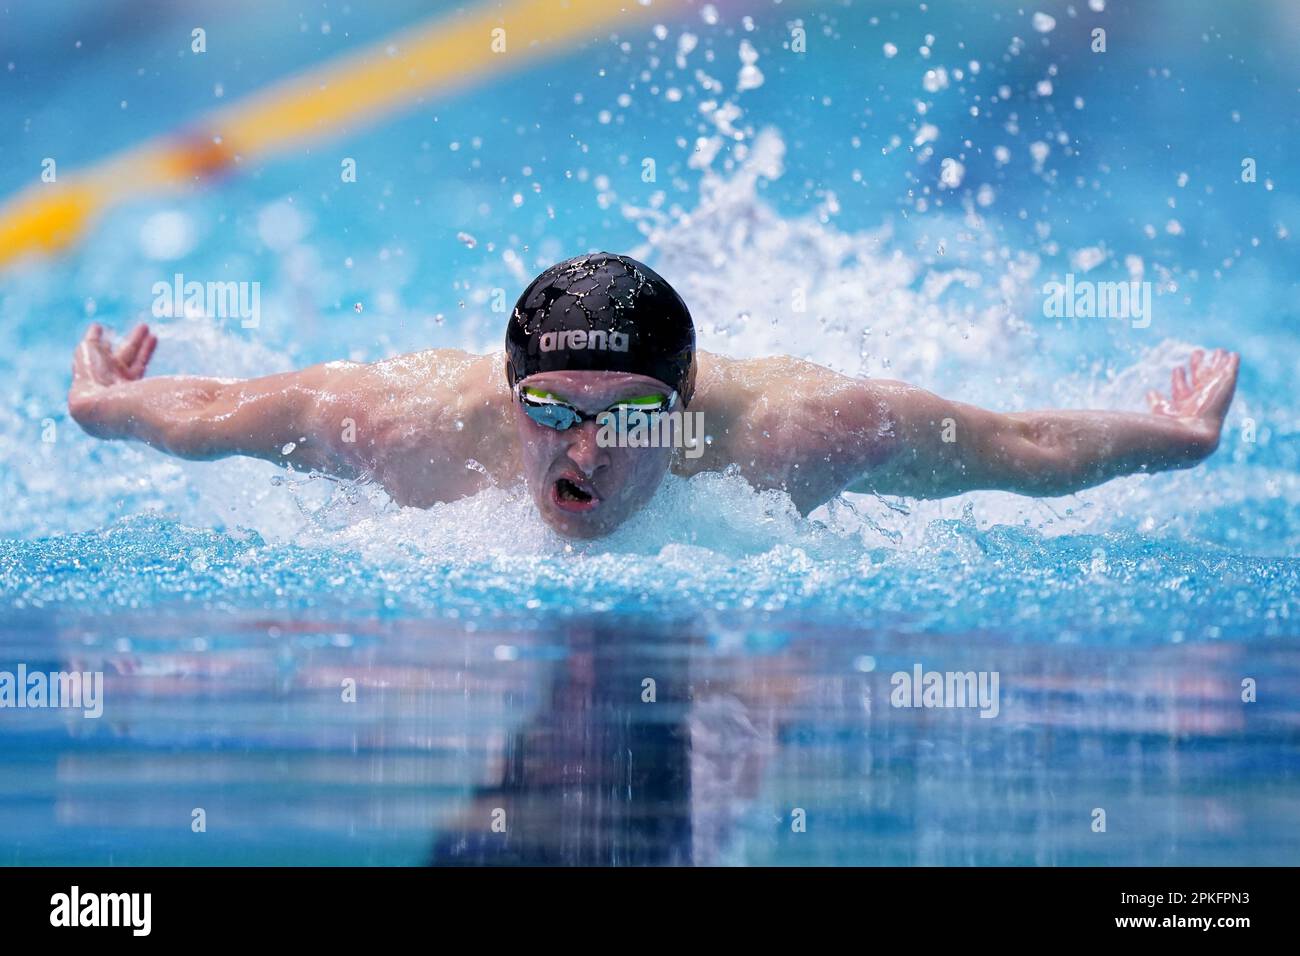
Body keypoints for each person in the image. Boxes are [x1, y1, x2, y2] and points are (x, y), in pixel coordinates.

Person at [67, 252, 1240, 538]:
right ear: (505, 390)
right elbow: (215, 414)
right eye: (552, 407)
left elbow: (1021, 444)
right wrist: (109, 405)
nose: (584, 446)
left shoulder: (798, 432)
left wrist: (1176, 436)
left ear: (684, 401)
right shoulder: (405, 428)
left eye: (628, 411)